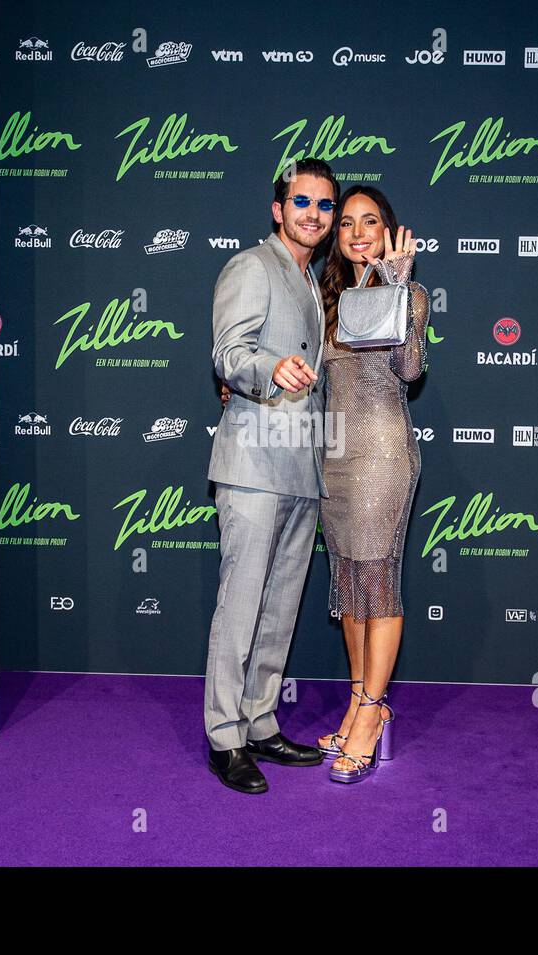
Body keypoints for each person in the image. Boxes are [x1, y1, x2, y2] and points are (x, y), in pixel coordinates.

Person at [203, 158, 339, 794]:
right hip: (254, 466)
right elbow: (229, 352)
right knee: (242, 605)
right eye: (302, 202)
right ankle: (224, 736)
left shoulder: (314, 282)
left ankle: (259, 721)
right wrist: (267, 369)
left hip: (302, 468)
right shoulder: (251, 266)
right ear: (277, 209)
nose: (313, 214)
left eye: (324, 205)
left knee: (280, 607)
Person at [315, 186, 428, 783]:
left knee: (378, 579)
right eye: (347, 223)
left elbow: (409, 371)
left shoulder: (408, 293)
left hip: (383, 455)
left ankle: (371, 713)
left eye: (371, 222)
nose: (357, 232)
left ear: (388, 231)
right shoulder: (328, 297)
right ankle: (360, 698)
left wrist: (397, 286)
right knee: (350, 583)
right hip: (335, 460)